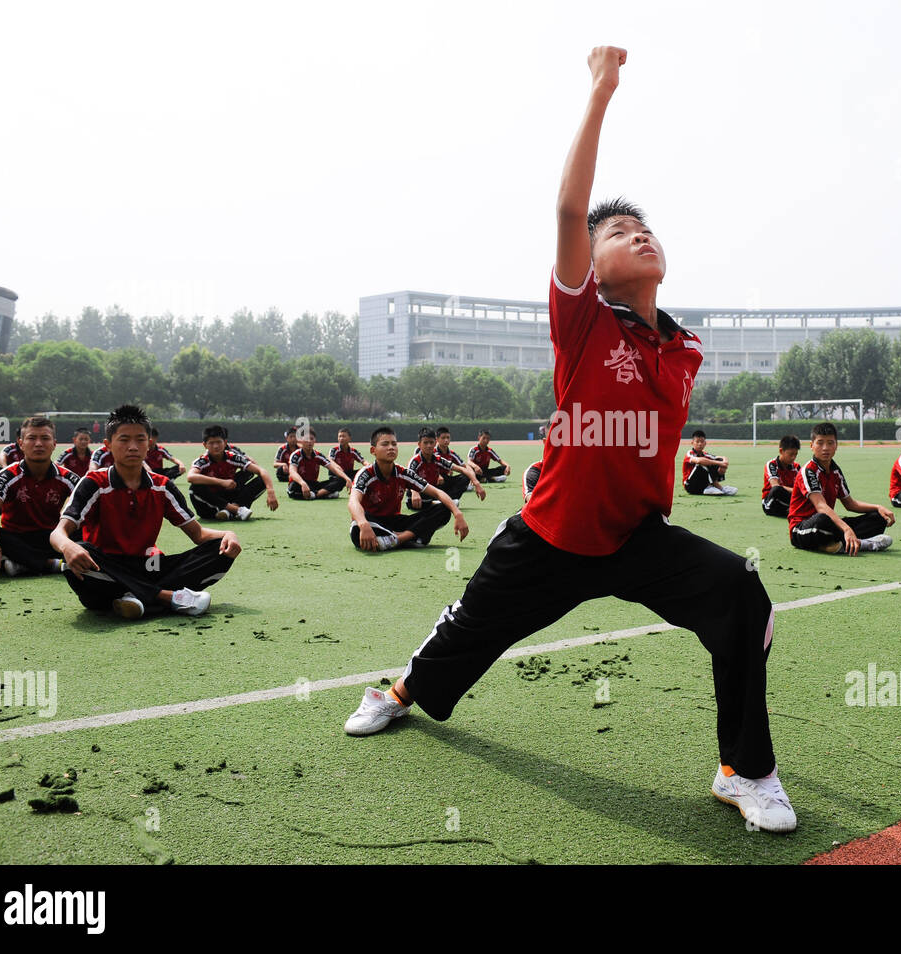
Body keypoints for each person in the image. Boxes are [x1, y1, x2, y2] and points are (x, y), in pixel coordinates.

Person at [341, 46, 796, 834]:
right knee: (470, 631)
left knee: (742, 596)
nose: (639, 234)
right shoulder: (582, 320)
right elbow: (566, 213)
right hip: (551, 537)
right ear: (593, 261)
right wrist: (601, 89)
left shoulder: (684, 348)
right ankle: (399, 692)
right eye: (619, 231)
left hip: (636, 537)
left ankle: (744, 771)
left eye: (645, 227)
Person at [50, 405, 241, 619]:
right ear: (108, 445)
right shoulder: (94, 483)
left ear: (149, 444)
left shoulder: (162, 486)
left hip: (150, 565)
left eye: (140, 439)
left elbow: (198, 535)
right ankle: (168, 598)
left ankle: (134, 598)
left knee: (219, 550)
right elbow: (58, 533)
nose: (132, 446)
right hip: (106, 567)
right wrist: (67, 546)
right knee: (73, 558)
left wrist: (228, 535)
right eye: (124, 439)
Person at [0, 416, 79, 576]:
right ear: (21, 443)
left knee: (88, 536)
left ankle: (22, 565)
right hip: (16, 540)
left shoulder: (69, 478)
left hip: (52, 538)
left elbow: (88, 512)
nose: (38, 444)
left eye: (45, 438)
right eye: (32, 438)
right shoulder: (7, 475)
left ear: (54, 444)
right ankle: (51, 565)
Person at [348, 427, 469, 552]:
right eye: (385, 444)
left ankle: (398, 539)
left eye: (394, 444)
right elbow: (353, 502)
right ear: (373, 450)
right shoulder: (366, 474)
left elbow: (437, 492)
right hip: (372, 522)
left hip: (396, 522)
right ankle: (412, 538)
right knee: (357, 527)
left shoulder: (403, 473)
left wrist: (458, 514)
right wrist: (364, 524)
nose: (391, 447)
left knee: (444, 509)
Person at [789, 422, 894, 554]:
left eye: (830, 443)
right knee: (821, 519)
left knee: (878, 518)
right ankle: (862, 543)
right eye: (820, 443)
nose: (825, 448)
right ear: (811, 446)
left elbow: (850, 504)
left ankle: (838, 544)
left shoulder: (836, 472)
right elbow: (821, 506)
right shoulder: (808, 471)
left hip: (829, 527)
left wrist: (878, 507)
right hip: (803, 529)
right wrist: (846, 529)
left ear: (836, 446)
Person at [187, 425, 279, 520]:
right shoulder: (203, 460)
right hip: (209, 506)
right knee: (195, 487)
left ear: (225, 442)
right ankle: (236, 510)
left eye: (219, 442)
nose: (215, 446)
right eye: (211, 443)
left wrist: (271, 492)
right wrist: (221, 482)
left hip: (228, 497)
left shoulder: (232, 457)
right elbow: (190, 477)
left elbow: (261, 470)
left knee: (261, 479)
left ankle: (230, 511)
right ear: (205, 445)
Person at [407, 428, 484, 510]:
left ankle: (444, 501)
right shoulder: (415, 460)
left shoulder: (438, 459)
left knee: (465, 477)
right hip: (420, 493)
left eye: (431, 442)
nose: (429, 446)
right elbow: (408, 476)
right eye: (425, 443)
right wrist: (414, 492)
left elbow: (462, 469)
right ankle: (443, 503)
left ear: (435, 443)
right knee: (412, 500)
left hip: (434, 490)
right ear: (419, 444)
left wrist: (477, 483)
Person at [288, 430, 351, 500]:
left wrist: (347, 478)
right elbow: (292, 472)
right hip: (299, 484)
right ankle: (324, 494)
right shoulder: (296, 455)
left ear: (314, 441)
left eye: (311, 439)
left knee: (341, 479)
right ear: (301, 441)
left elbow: (334, 469)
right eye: (306, 439)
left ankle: (315, 495)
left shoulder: (318, 455)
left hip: (314, 484)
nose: (309, 442)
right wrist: (303, 483)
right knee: (293, 488)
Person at [682, 430, 737, 495]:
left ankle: (711, 488)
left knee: (715, 461)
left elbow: (722, 458)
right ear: (692, 443)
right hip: (690, 486)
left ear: (705, 443)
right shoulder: (690, 453)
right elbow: (699, 461)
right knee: (702, 463)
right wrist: (719, 463)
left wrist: (724, 465)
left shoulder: (705, 454)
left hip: (701, 485)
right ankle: (718, 488)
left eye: (702, 442)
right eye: (697, 442)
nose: (699, 444)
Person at [761, 435, 800, 517]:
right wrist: (796, 491)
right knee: (777, 490)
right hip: (771, 503)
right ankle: (793, 510)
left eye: (796, 454)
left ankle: (792, 510)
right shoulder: (771, 464)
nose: (793, 457)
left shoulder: (797, 467)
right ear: (781, 451)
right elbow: (775, 485)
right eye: (791, 454)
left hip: (788, 500)